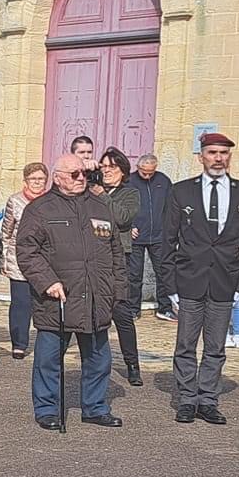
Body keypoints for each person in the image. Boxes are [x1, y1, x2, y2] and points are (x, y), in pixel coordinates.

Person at [154, 132, 239, 425]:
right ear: (201, 156)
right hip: (189, 281)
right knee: (186, 345)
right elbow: (168, 242)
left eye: (223, 153)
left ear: (230, 157)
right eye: (212, 152)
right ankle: (187, 399)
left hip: (225, 284)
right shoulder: (182, 192)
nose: (218, 158)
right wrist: (170, 288)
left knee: (215, 347)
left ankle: (208, 399)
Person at [14, 154, 127, 431]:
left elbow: (115, 251)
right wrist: (47, 282)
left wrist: (118, 290)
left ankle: (95, 407)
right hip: (57, 298)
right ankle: (47, 409)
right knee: (49, 360)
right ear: (59, 176)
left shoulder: (100, 206)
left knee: (99, 359)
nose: (81, 179)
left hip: (96, 297)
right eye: (74, 174)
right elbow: (27, 252)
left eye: (83, 174)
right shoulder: (40, 209)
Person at [95, 149, 144, 384]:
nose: (106, 171)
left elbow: (123, 218)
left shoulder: (129, 193)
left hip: (117, 260)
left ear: (123, 171)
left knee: (121, 313)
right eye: (103, 166)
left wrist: (100, 195)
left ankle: (132, 363)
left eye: (112, 167)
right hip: (92, 257)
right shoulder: (90, 190)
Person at [0, 162, 50, 359]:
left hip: (44, 260)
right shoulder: (15, 201)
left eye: (41, 179)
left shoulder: (50, 201)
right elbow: (7, 232)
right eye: (33, 179)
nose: (37, 183)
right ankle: (19, 343)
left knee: (43, 303)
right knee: (21, 303)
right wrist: (4, 259)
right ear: (25, 181)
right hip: (18, 259)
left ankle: (45, 343)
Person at [125, 153, 175, 319]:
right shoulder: (128, 181)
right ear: (138, 167)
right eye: (144, 172)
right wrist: (128, 226)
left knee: (164, 272)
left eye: (150, 173)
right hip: (136, 236)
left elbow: (171, 206)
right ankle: (132, 308)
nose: (147, 175)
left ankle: (165, 308)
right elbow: (121, 206)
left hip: (159, 235)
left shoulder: (163, 181)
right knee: (133, 274)